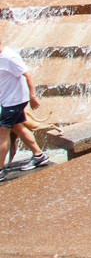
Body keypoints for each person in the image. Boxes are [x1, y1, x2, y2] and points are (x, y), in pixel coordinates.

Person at [0, 38, 51, 182]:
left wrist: (32, 96)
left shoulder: (10, 57)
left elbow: (27, 75)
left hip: (15, 101)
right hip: (7, 100)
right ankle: (39, 155)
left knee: (3, 131)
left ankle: (0, 170)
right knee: (18, 128)